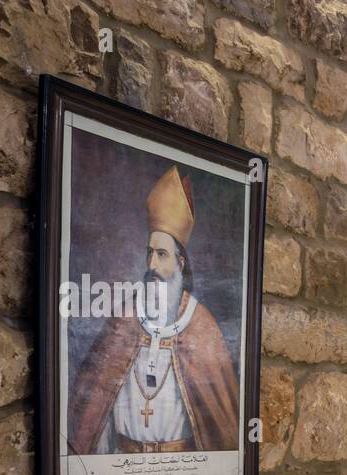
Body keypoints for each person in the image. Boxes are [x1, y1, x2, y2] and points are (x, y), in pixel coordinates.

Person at [68, 165, 240, 455]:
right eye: (150, 253)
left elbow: (222, 428)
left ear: (180, 262)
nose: (152, 266)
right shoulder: (125, 318)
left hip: (181, 472)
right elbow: (93, 409)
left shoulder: (201, 324)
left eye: (162, 255)